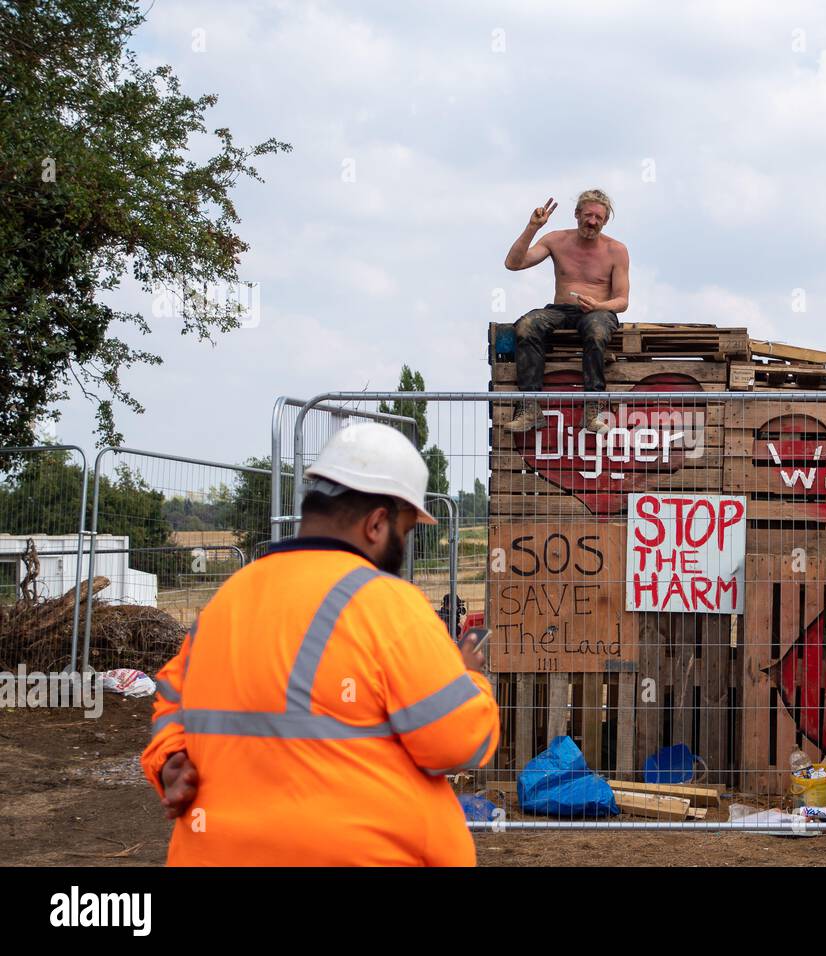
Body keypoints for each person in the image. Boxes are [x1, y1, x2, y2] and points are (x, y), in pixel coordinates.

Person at [140, 422, 499, 866]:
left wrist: (169, 756)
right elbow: (457, 743)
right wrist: (471, 680)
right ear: (377, 523)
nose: (402, 546)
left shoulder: (227, 600)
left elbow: (170, 697)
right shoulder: (386, 604)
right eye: (404, 533)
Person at [502, 188, 630, 434]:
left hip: (597, 311)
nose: (592, 222)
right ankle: (530, 409)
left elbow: (622, 301)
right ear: (577, 214)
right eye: (588, 215)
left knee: (596, 330)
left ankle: (592, 409)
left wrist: (598, 305)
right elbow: (513, 264)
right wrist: (532, 227)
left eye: (599, 218)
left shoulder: (616, 250)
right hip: (561, 309)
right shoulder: (556, 240)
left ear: (605, 221)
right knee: (528, 325)